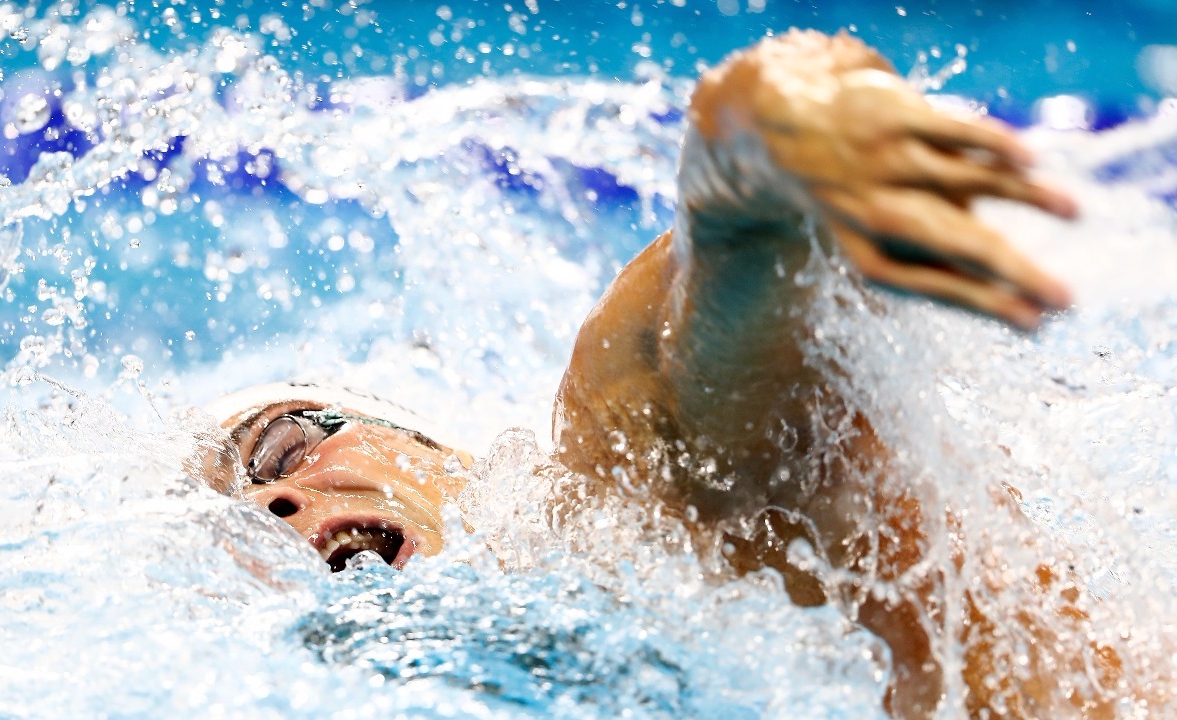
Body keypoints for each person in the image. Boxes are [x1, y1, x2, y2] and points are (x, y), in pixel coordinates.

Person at [198, 31, 1132, 719]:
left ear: (428, 449)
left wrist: (787, 134)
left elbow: (714, 266)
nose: (271, 508)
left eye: (282, 449)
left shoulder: (623, 488)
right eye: (230, 532)